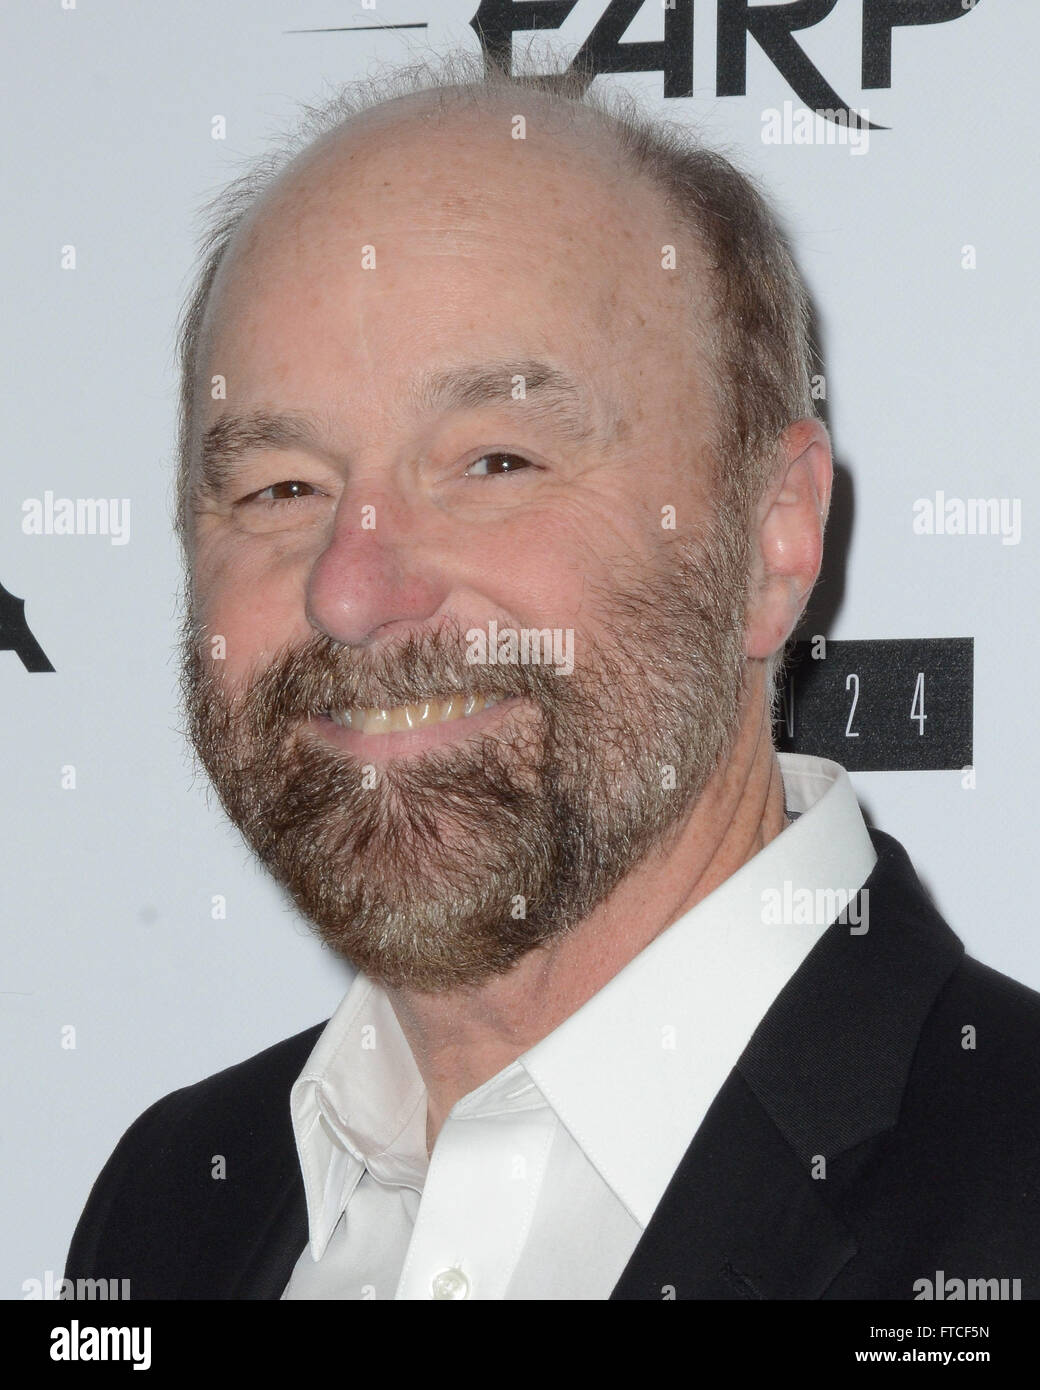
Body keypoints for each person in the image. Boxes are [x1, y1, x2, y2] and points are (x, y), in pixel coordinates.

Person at [64, 52, 1040, 1301]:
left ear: (771, 536)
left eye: (495, 461)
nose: (352, 592)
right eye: (281, 486)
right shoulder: (171, 1205)